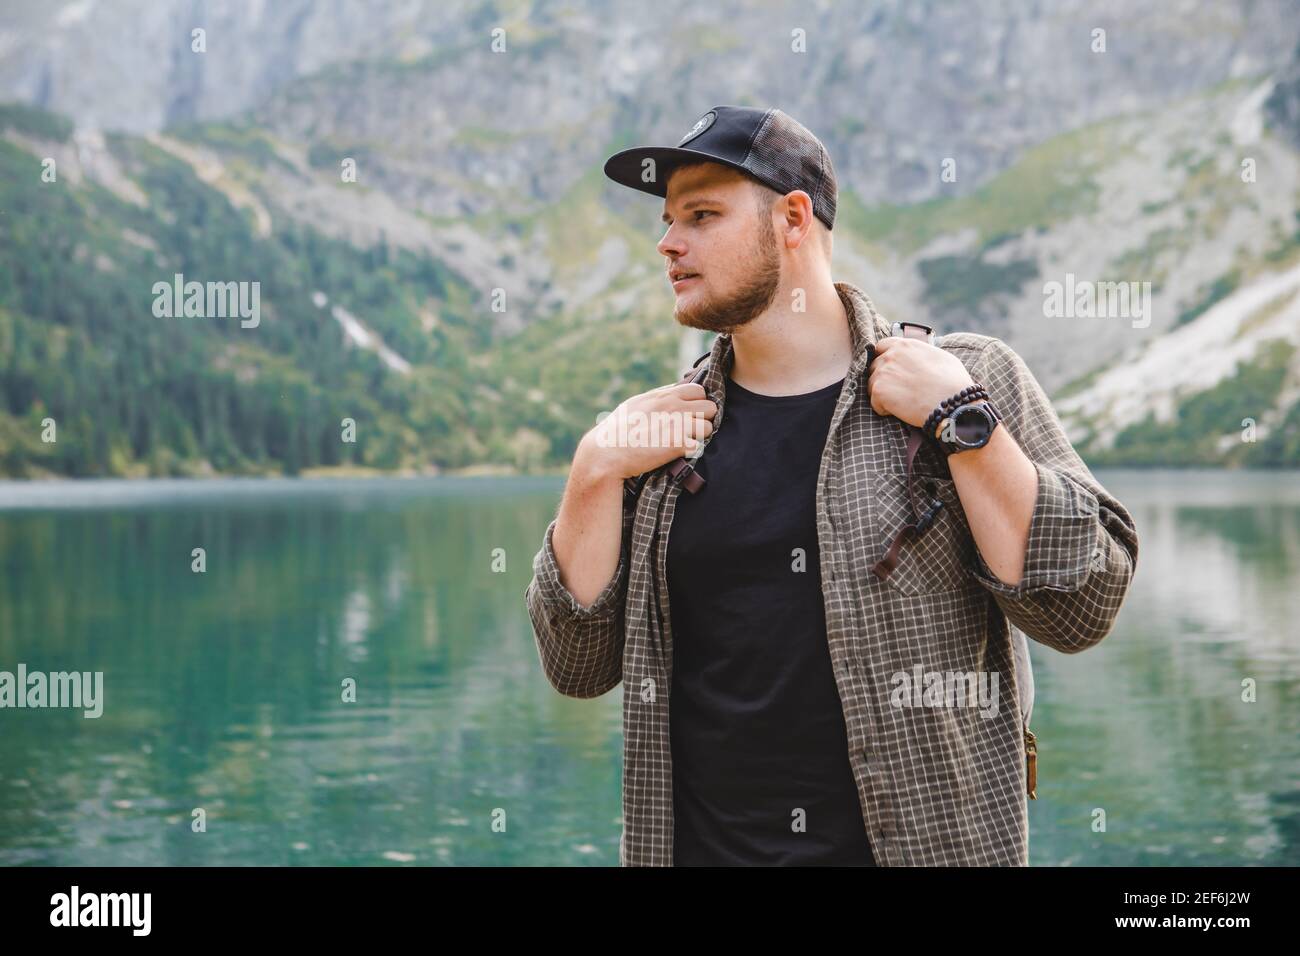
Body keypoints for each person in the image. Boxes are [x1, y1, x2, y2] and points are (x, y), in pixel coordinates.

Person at [525, 106, 1140, 866]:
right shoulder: (657, 436)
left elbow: (1080, 607)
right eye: (666, 220)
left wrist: (961, 421)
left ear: (792, 217)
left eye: (701, 214)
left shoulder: (965, 380)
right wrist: (591, 470)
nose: (667, 242)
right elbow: (577, 667)